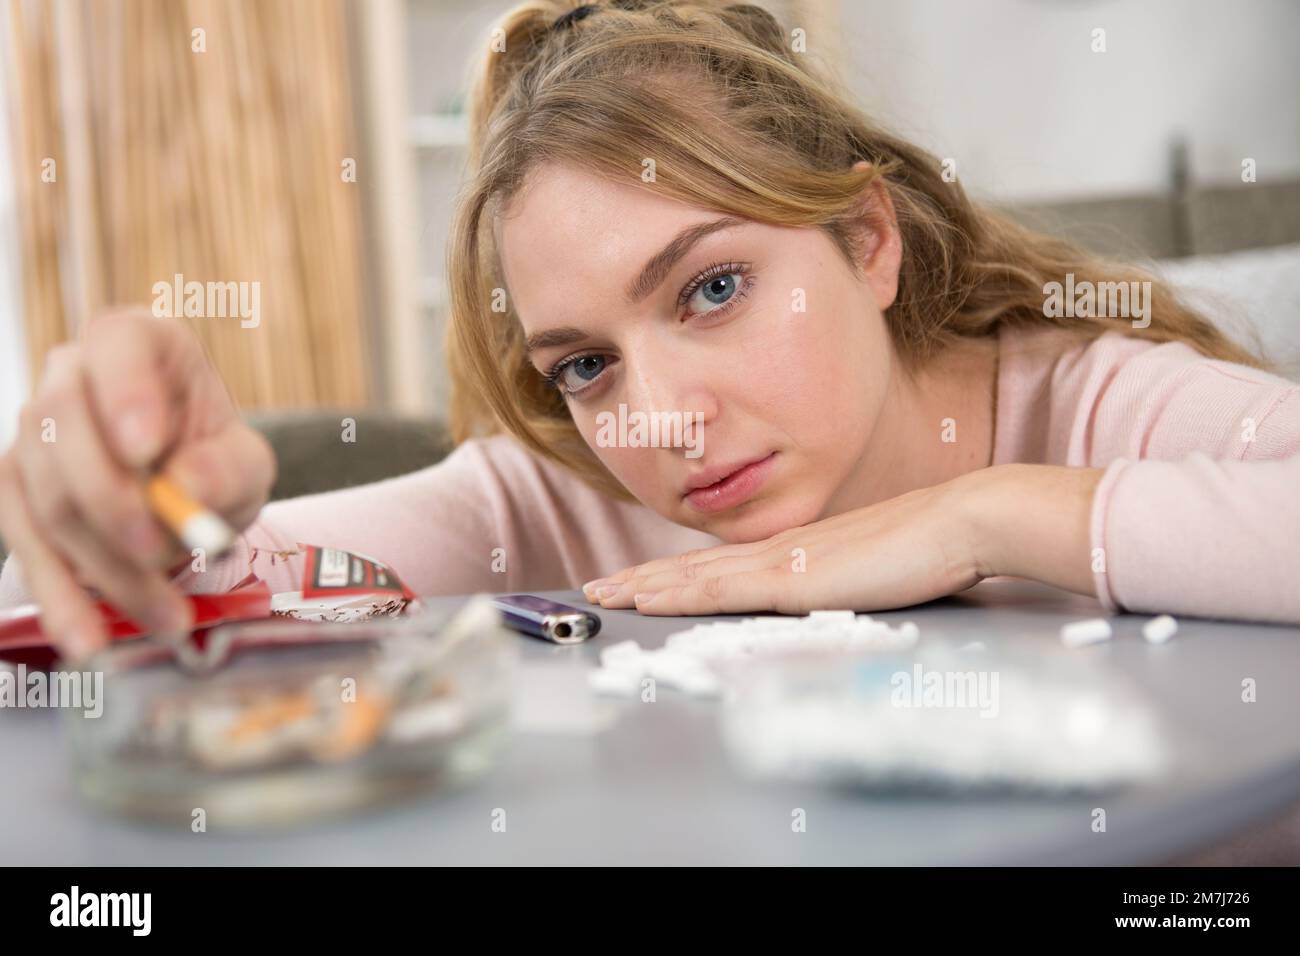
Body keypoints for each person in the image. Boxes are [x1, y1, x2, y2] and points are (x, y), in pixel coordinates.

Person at [2, 0, 1297, 663]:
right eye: (584, 364)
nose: (656, 417)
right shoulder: (551, 503)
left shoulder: (1088, 406)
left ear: (868, 240)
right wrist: (161, 515)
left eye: (713, 289)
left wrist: (990, 517)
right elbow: (162, 611)